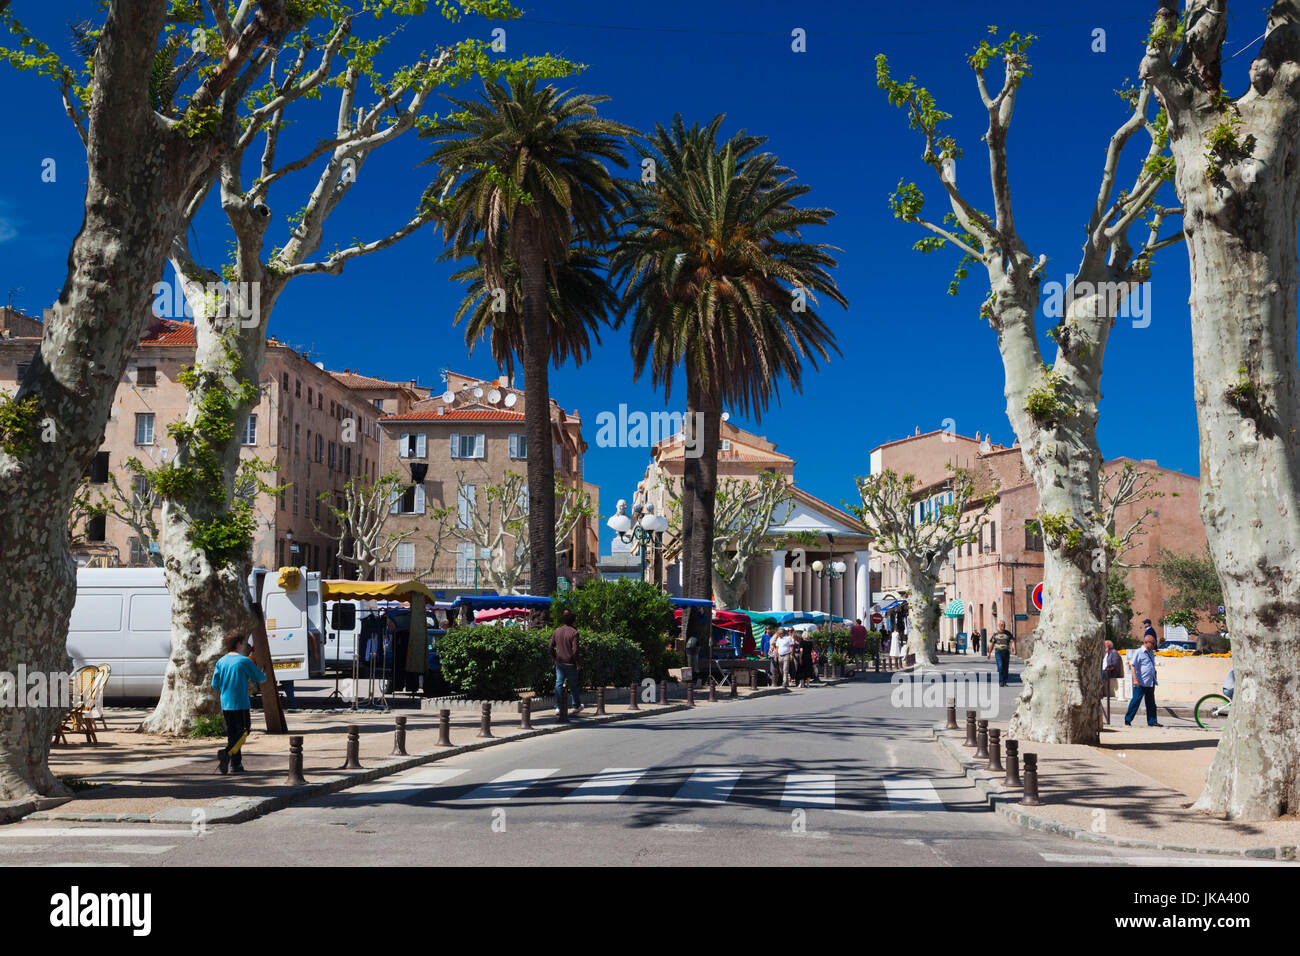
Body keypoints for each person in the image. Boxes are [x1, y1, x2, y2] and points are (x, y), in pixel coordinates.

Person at [212, 629, 267, 775]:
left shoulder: (221, 661)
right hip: (241, 702)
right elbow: (260, 678)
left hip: (226, 702)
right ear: (238, 644)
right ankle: (227, 753)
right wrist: (264, 672)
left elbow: (215, 684)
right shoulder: (244, 661)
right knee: (244, 731)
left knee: (233, 733)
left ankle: (236, 764)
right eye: (243, 643)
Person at [1124, 631, 1162, 727]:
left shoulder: (1151, 653)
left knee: (1151, 703)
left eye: (1154, 643)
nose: (1154, 645)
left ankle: (1152, 721)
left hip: (1150, 682)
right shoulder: (1139, 652)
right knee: (1136, 701)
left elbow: (1150, 665)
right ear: (1146, 642)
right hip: (1140, 682)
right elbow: (1133, 666)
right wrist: (1135, 680)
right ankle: (1128, 719)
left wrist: (1154, 675)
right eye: (1152, 643)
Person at [549, 610, 583, 715]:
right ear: (573, 621)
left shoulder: (557, 631)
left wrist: (554, 658)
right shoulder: (574, 633)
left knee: (558, 684)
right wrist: (577, 663)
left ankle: (557, 707)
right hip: (570, 662)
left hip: (559, 662)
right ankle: (576, 706)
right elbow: (575, 650)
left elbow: (550, 647)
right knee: (573, 685)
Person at [987, 620, 1016, 686]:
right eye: (1001, 625)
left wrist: (1014, 650)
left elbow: (1012, 641)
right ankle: (1001, 682)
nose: (1002, 626)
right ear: (999, 625)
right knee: (1000, 666)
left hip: (1006, 652)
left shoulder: (1008, 633)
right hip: (998, 652)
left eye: (1004, 625)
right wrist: (989, 652)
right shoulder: (996, 634)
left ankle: (1005, 681)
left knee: (1005, 667)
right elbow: (992, 643)